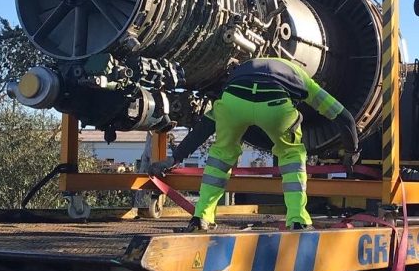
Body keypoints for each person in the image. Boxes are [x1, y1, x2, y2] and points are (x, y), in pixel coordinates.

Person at [151, 57, 359, 232]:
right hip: (275, 105)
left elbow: (204, 127)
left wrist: (174, 159)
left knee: (221, 156)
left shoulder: (246, 67)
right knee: (291, 155)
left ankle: (201, 217)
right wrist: (351, 151)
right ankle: (297, 219)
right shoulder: (302, 78)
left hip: (234, 100)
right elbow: (344, 118)